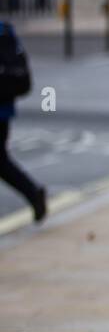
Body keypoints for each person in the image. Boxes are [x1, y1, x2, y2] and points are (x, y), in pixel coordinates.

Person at [0, 20, 46, 222]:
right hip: (3, 109)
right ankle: (33, 193)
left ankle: (33, 193)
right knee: (0, 160)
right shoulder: (4, 30)